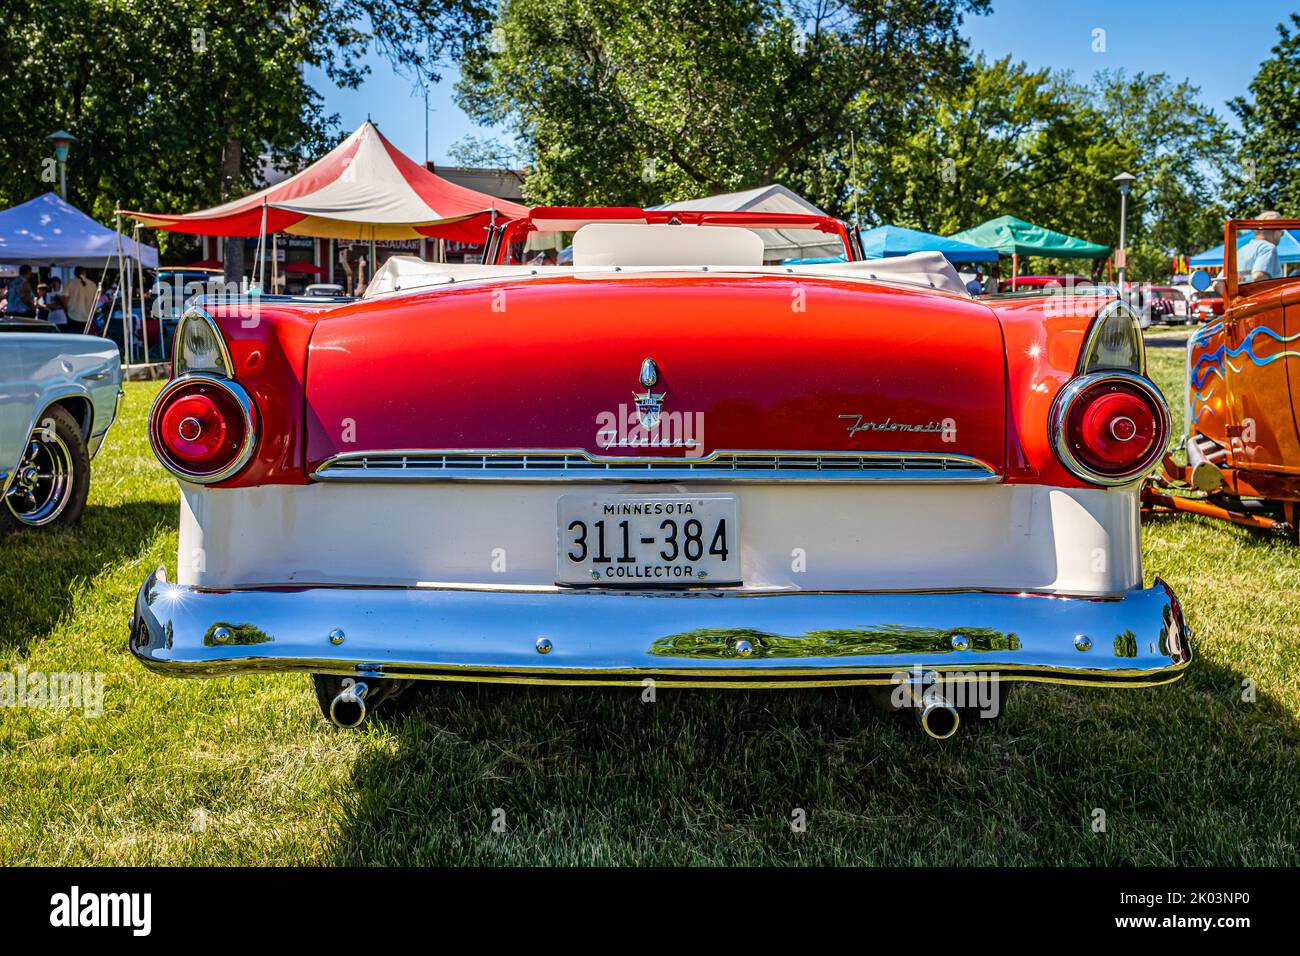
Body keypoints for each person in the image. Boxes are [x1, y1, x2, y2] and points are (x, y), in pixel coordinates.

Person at [1238, 210, 1285, 282]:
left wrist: (1238, 289)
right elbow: (1258, 276)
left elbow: (1217, 283)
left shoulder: (1241, 250)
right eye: (1281, 231)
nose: (1282, 235)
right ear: (1275, 231)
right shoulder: (1268, 248)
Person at [66, 266, 98, 331]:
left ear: (74, 273)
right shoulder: (93, 284)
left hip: (73, 315)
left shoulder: (69, 283)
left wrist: (65, 309)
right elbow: (95, 301)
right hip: (87, 316)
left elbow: (65, 299)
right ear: (85, 273)